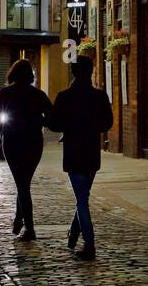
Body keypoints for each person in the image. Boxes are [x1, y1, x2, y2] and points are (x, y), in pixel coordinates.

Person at [48, 55, 114, 261]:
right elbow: (107, 124)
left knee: (82, 200)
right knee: (82, 196)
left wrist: (70, 126)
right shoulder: (100, 96)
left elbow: (54, 124)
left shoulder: (65, 96)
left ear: (74, 73)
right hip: (91, 152)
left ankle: (90, 244)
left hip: (74, 152)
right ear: (91, 71)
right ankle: (73, 235)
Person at [0, 59, 53, 241]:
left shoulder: (5, 93)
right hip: (34, 142)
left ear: (13, 74)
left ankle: (29, 228)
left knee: (22, 184)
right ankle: (20, 219)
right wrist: (38, 122)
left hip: (12, 141)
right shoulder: (38, 94)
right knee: (24, 182)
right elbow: (52, 117)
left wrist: (3, 128)